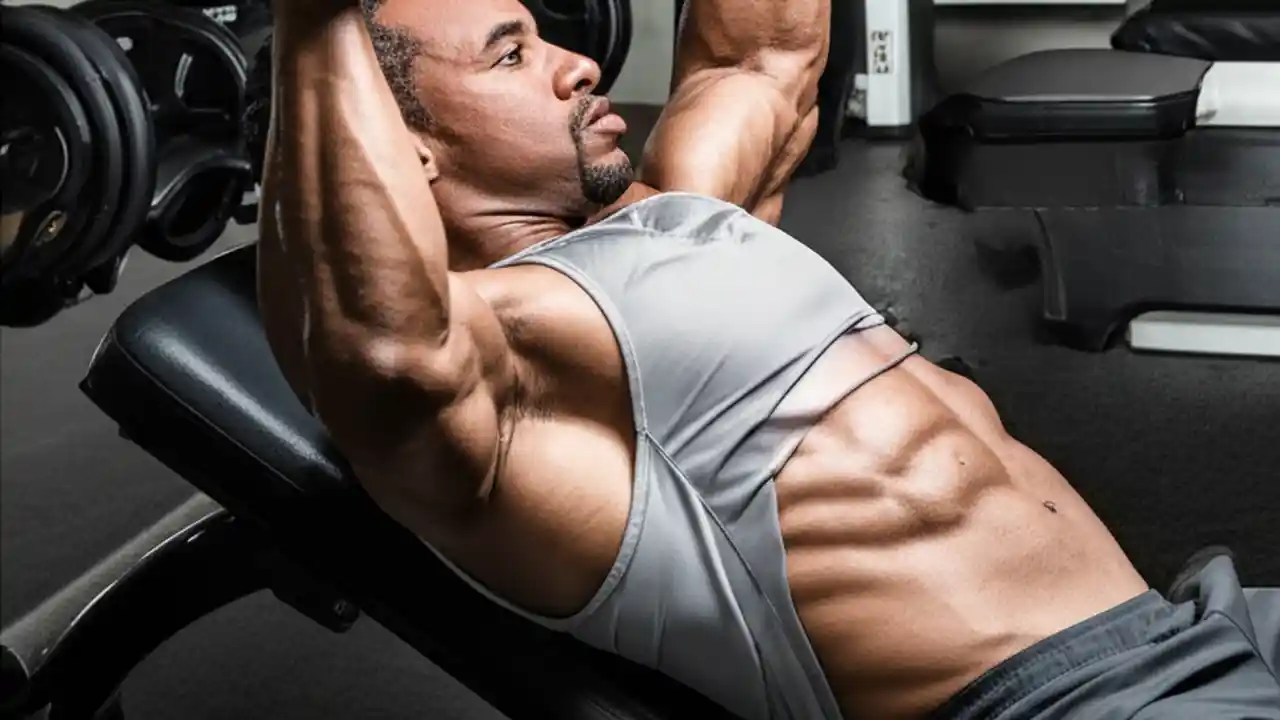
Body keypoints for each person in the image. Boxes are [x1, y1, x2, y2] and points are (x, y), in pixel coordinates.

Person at [256, 0, 1280, 718]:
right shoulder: (496, 375)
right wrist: (319, 22)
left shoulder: (683, 213)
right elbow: (384, 344)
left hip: (1195, 620)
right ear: (405, 149)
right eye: (510, 54)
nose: (578, 63)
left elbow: (761, 61)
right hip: (1069, 699)